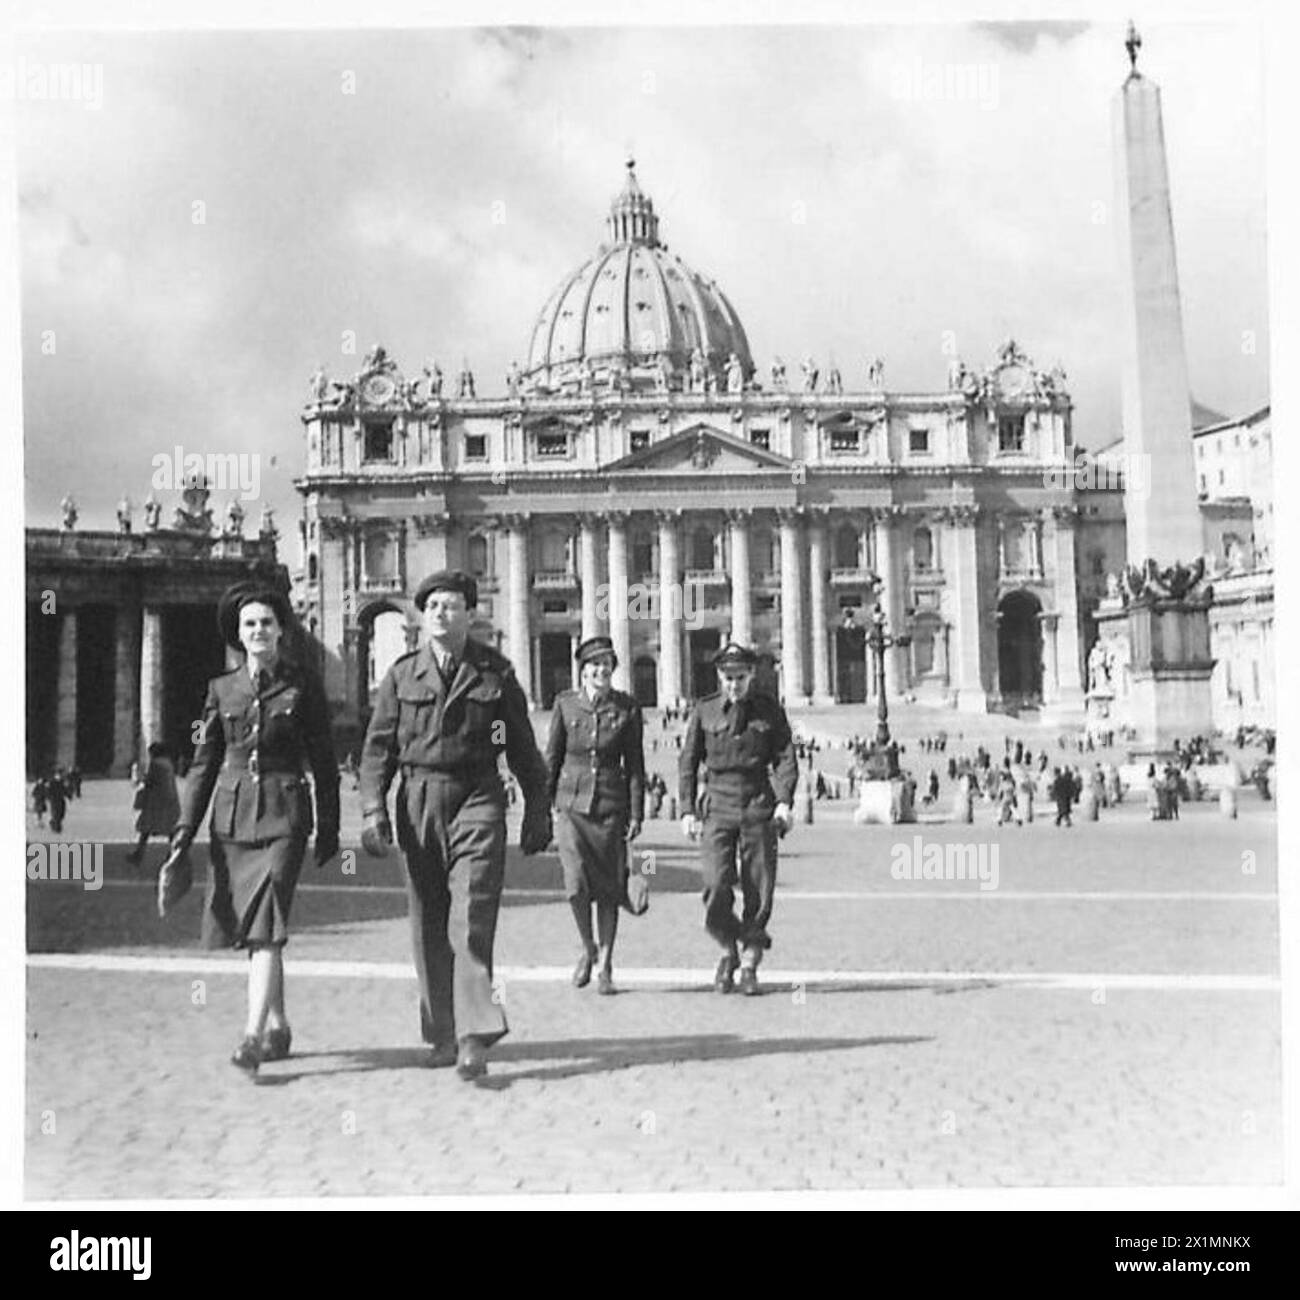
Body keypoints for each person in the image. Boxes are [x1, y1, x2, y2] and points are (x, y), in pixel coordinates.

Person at [359, 571, 551, 1081]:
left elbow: (522, 746)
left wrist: (537, 808)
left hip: (478, 797)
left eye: (454, 605)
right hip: (418, 800)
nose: (443, 613)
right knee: (428, 922)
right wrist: (372, 809)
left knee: (471, 918)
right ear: (422, 618)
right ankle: (442, 1030)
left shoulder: (497, 674)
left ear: (472, 613)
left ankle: (473, 1036)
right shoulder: (399, 677)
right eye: (435, 606)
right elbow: (377, 750)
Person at [171, 583, 339, 1074]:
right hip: (233, 818)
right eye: (250, 624)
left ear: (281, 630)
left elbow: (325, 759)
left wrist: (329, 824)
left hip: (286, 816)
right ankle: (279, 1022)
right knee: (261, 931)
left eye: (267, 622)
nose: (259, 630)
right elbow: (205, 763)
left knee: (266, 926)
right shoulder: (220, 690)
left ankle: (249, 1036)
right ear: (239, 635)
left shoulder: (303, 685)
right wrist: (185, 827)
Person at [679, 643, 797, 996]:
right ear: (719, 677)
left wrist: (784, 801)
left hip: (758, 801)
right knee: (715, 885)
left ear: (752, 676)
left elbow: (785, 757)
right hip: (717, 803)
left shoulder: (769, 710)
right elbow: (688, 762)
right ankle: (728, 947)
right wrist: (686, 809)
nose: (734, 684)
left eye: (741, 678)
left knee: (758, 888)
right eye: (728, 678)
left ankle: (749, 961)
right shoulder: (705, 710)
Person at [545, 636, 645, 996]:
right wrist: (543, 809)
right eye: (594, 664)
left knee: (608, 889)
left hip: (610, 807)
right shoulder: (565, 705)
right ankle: (587, 947)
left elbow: (635, 766)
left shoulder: (627, 708)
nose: (601, 670)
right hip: (571, 806)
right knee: (575, 884)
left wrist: (636, 813)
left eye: (607, 664)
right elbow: (552, 759)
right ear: (583, 670)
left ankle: (605, 963)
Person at [126, 742, 180, 870]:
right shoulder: (168, 763)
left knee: (146, 830)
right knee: (171, 830)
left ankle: (138, 854)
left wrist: (141, 780)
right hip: (170, 800)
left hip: (157, 803)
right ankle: (176, 853)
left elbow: (150, 780)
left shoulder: (156, 764)